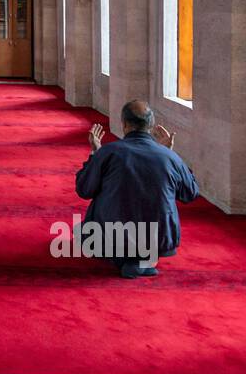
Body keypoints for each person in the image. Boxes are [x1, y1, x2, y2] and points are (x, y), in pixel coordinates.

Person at [75, 99, 200, 279]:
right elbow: (190, 193)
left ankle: (127, 259)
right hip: (160, 239)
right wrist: (169, 153)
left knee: (83, 229)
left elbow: (84, 189)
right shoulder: (169, 157)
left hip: (113, 237)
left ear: (125, 124)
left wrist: (95, 153)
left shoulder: (109, 152)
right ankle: (143, 259)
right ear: (151, 125)